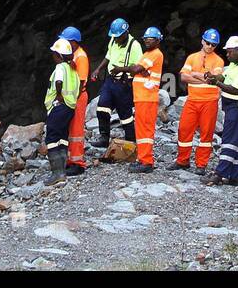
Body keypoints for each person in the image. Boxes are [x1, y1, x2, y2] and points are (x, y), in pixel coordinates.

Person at [176, 28, 224, 174]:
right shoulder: (192, 57)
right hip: (192, 100)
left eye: (213, 44)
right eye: (208, 43)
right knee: (184, 130)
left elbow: (213, 80)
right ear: (202, 41)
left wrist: (196, 74)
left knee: (206, 133)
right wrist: (202, 79)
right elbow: (183, 77)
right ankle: (182, 161)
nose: (210, 46)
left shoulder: (218, 61)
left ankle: (201, 164)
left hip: (210, 102)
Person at [90, 17, 142, 147]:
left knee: (125, 115)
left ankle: (130, 142)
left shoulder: (134, 45)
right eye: (114, 36)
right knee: (102, 107)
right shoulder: (113, 40)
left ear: (126, 33)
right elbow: (108, 56)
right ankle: (104, 138)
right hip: (109, 82)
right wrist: (98, 69)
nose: (116, 38)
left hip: (124, 84)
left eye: (118, 36)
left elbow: (138, 68)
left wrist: (121, 69)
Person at [208, 36, 238, 186]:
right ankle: (235, 175)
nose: (227, 55)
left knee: (229, 140)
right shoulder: (235, 65)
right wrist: (214, 77)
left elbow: (235, 89)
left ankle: (220, 173)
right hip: (231, 106)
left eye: (230, 52)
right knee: (237, 140)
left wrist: (217, 83)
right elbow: (224, 76)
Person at [44, 35, 82, 185]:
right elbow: (78, 89)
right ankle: (62, 171)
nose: (53, 56)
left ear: (59, 55)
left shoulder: (60, 67)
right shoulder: (73, 69)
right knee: (62, 137)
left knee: (52, 139)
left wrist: (59, 95)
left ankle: (57, 173)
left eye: (54, 53)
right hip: (69, 107)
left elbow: (58, 81)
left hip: (59, 107)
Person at [129, 26, 164, 172]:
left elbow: (136, 69)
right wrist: (136, 68)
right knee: (141, 129)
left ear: (158, 40)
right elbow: (139, 70)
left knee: (145, 130)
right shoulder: (147, 54)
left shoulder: (155, 54)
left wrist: (124, 68)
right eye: (146, 39)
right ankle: (143, 159)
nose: (148, 42)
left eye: (151, 40)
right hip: (142, 97)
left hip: (147, 97)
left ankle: (147, 162)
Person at [62, 26, 89, 177]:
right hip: (71, 98)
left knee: (76, 131)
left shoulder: (80, 56)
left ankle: (78, 163)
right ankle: (71, 159)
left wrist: (72, 100)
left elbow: (81, 82)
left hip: (78, 97)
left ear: (73, 41)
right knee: (70, 129)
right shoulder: (72, 55)